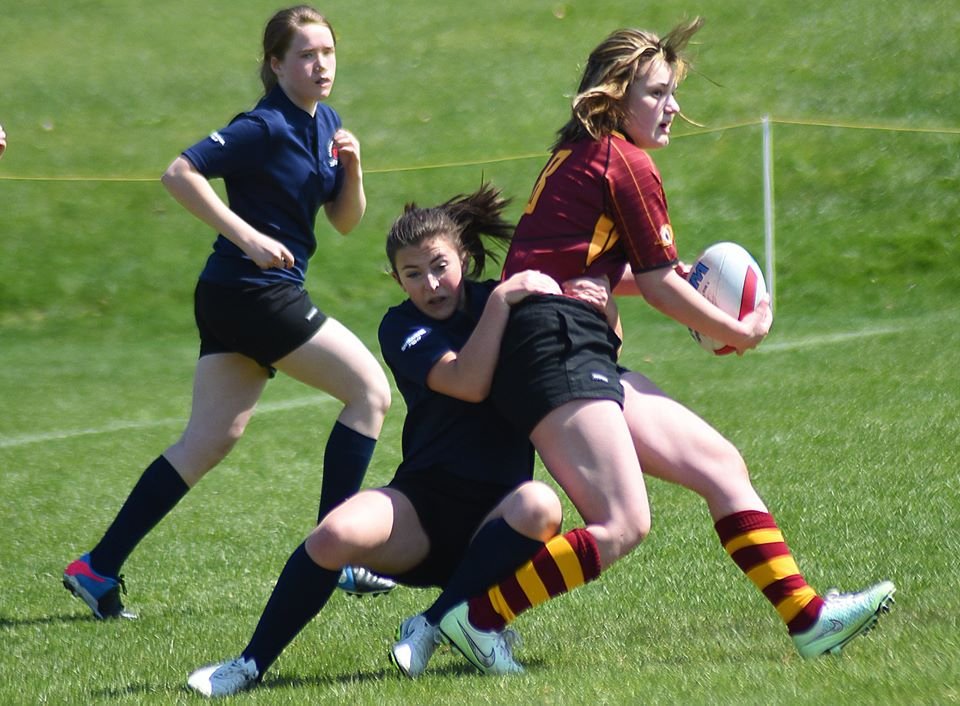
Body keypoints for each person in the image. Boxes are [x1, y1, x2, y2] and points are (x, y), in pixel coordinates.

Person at [422, 18, 894, 674]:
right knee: (621, 522)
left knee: (720, 465)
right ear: (612, 99)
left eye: (672, 92)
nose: (673, 107)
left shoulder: (581, 156)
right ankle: (475, 618)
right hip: (552, 347)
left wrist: (665, 283)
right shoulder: (624, 161)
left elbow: (597, 270)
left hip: (565, 345)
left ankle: (808, 618)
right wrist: (738, 330)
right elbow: (660, 285)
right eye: (656, 93)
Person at [185, 183, 610, 697]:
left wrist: (597, 307)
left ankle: (431, 624)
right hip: (422, 509)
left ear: (465, 259)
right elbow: (467, 384)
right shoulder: (402, 324)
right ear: (397, 280)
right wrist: (500, 301)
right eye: (413, 274)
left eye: (439, 266)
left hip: (495, 521)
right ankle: (248, 665)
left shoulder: (508, 302)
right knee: (330, 536)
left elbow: (591, 353)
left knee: (543, 504)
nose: (430, 284)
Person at [62, 5, 395, 620]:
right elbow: (178, 172)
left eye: (327, 52)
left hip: (237, 294)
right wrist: (245, 236)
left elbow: (345, 223)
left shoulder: (328, 124)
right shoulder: (263, 125)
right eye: (305, 54)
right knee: (370, 392)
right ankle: (340, 551)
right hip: (251, 290)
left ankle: (97, 567)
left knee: (210, 439)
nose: (320, 65)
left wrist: (352, 167)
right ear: (276, 64)